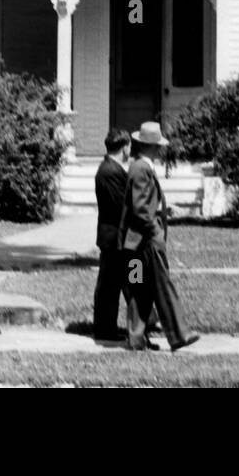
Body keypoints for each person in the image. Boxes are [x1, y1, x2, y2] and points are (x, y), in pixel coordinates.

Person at [118, 121, 200, 354]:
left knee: (137, 289)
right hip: (146, 243)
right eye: (158, 146)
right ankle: (179, 334)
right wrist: (156, 232)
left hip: (131, 244)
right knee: (162, 286)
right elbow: (142, 209)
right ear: (152, 147)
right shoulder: (143, 169)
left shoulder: (136, 167)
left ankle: (136, 337)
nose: (161, 149)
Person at [91, 127, 131, 342]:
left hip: (119, 239)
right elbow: (121, 205)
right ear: (124, 147)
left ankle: (132, 325)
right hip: (116, 239)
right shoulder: (110, 172)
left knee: (130, 282)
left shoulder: (111, 169)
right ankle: (105, 329)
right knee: (111, 286)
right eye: (129, 146)